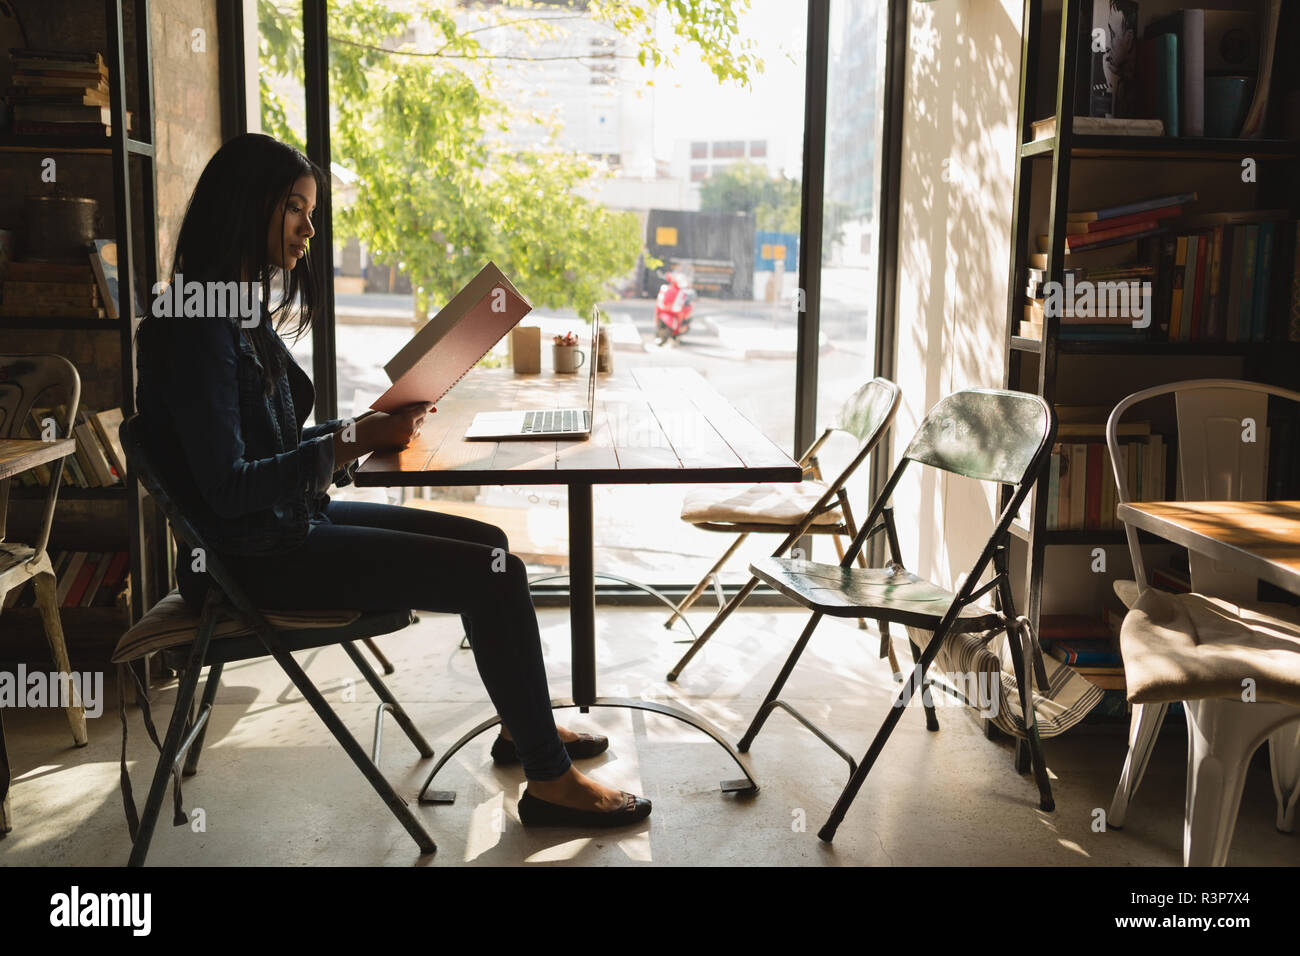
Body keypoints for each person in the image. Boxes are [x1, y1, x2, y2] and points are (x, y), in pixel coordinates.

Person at [133, 132, 650, 829]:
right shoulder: (195, 324)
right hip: (253, 562)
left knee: (495, 548)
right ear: (243, 206)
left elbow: (270, 450)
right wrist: (353, 440)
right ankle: (550, 782)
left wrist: (365, 427)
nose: (309, 229)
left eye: (310, 211)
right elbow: (228, 488)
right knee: (492, 573)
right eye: (293, 209)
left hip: (285, 529)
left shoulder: (232, 310)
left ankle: (525, 728)